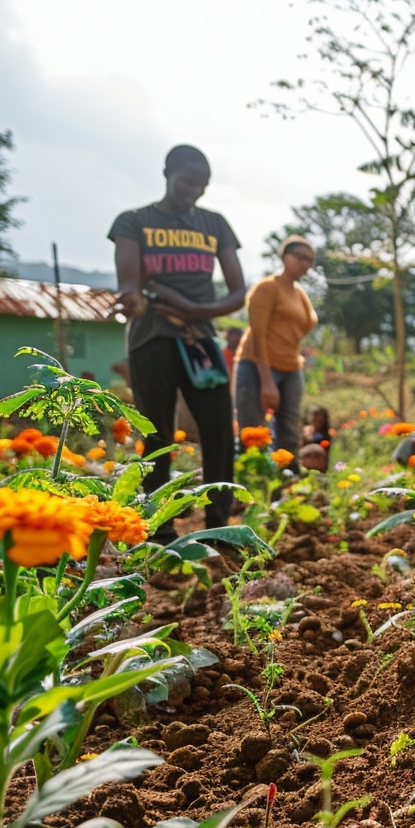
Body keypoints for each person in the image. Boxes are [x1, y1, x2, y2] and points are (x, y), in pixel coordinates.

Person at [110, 145, 247, 537]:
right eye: (187, 181)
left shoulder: (215, 224)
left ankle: (219, 523)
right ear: (167, 173)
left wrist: (196, 312)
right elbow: (129, 282)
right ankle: (160, 527)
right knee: (157, 432)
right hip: (152, 336)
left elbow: (238, 291)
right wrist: (132, 297)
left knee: (220, 430)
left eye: (202, 184)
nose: (194, 190)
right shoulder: (133, 221)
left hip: (199, 337)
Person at [234, 235, 318, 454]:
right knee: (254, 434)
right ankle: (250, 483)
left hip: (291, 367)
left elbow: (304, 326)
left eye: (310, 260)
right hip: (257, 365)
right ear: (284, 256)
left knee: (291, 432)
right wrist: (266, 381)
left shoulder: (299, 293)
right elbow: (258, 334)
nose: (306, 264)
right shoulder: (267, 288)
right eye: (300, 257)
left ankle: (287, 483)